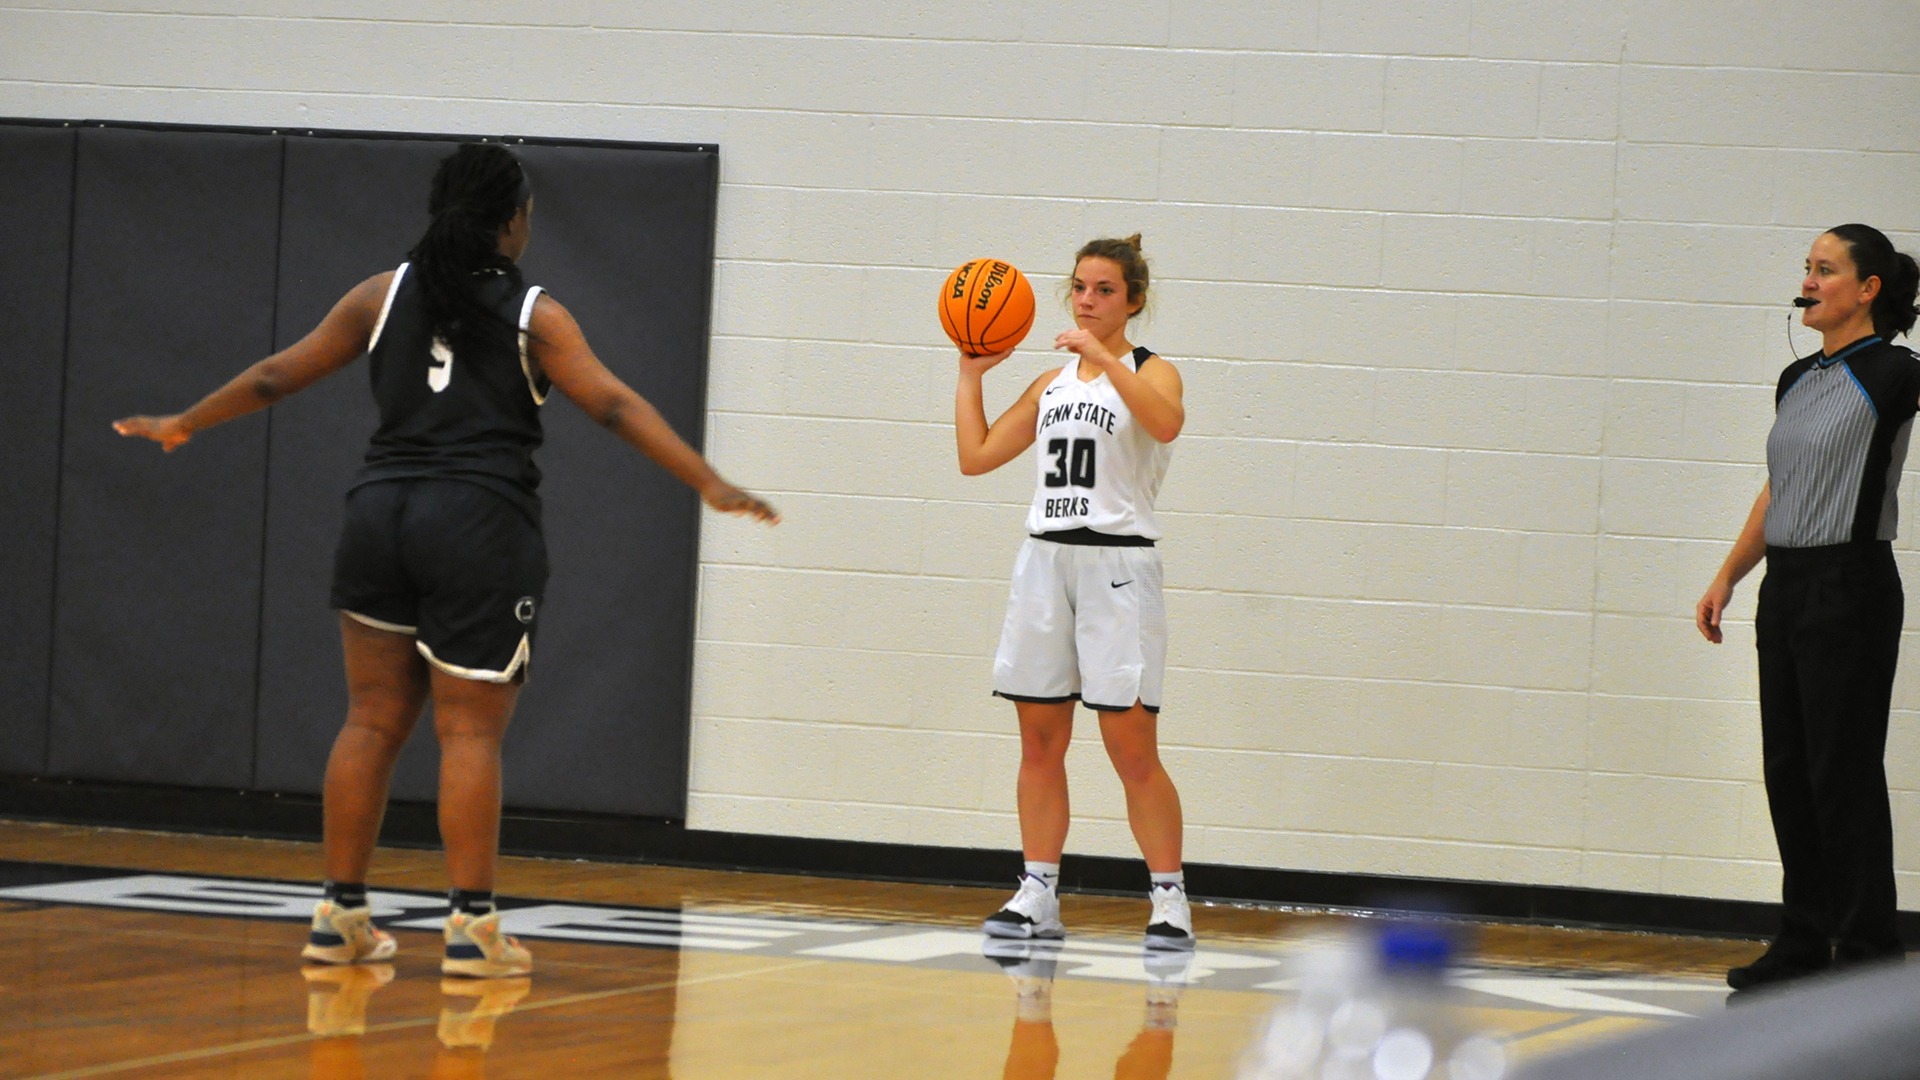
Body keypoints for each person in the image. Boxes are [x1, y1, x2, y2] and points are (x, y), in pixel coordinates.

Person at [116, 143, 777, 979]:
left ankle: (340, 916)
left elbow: (280, 374)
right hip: (478, 524)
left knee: (369, 720)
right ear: (513, 222)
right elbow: (609, 402)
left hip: (380, 516)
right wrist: (708, 481)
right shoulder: (538, 313)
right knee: (467, 729)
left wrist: (186, 420)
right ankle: (471, 927)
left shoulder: (377, 294)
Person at [1696, 223, 1920, 992]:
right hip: (1786, 585)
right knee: (1789, 768)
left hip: (1849, 586)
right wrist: (1730, 573)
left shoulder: (1895, 372)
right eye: (1808, 268)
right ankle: (1802, 940)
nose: (1809, 281)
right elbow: (1779, 489)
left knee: (1842, 770)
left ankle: (1865, 957)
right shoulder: (1796, 382)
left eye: (1826, 270)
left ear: (1868, 290)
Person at [955, 234, 1193, 949]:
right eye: (1081, 289)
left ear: (1135, 301)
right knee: (1039, 739)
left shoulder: (1156, 372)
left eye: (1105, 291)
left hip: (1119, 567)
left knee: (1131, 748)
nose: (1088, 301)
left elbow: (1166, 422)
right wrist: (971, 376)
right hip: (1044, 562)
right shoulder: (1051, 383)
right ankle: (1037, 891)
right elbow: (977, 457)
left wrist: (1102, 361)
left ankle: (1169, 897)